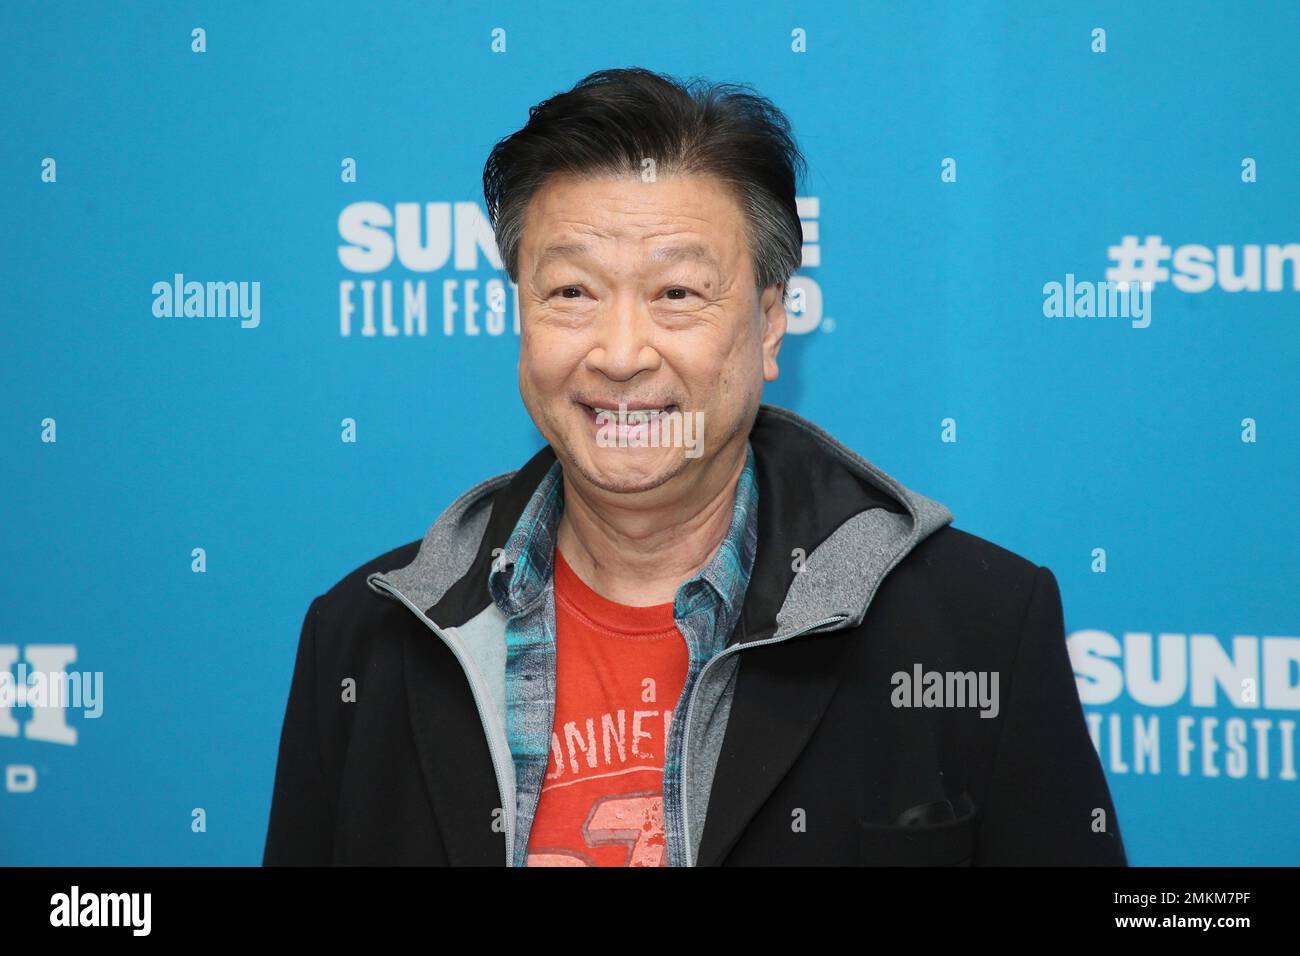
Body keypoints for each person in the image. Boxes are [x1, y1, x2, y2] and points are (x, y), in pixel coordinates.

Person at [263, 67, 1126, 866]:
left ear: (772, 321)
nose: (622, 354)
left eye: (677, 294)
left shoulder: (978, 626)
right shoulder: (368, 639)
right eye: (572, 293)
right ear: (519, 315)